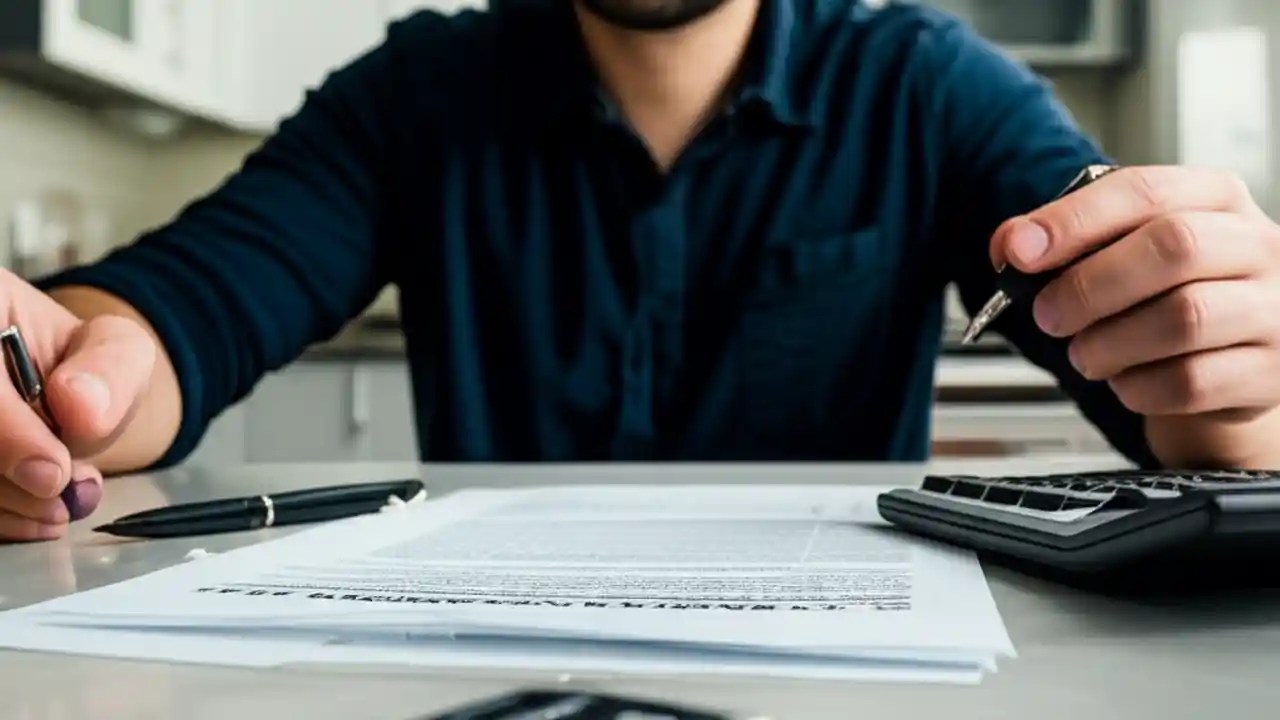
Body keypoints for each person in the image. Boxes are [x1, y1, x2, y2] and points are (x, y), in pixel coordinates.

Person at [3, 0, 1279, 543]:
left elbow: (1169, 387)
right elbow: (194, 302)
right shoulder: (415, 94)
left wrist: (1230, 375)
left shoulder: (931, 86)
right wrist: (76, 379)